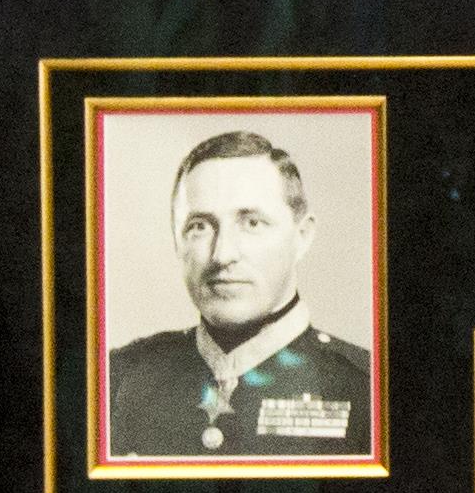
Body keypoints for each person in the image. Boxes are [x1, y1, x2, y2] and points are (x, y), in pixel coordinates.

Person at [100, 125, 375, 459]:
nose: (222, 254)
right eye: (199, 226)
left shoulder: (369, 388)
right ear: (177, 241)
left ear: (302, 236)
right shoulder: (119, 378)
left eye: (251, 223)